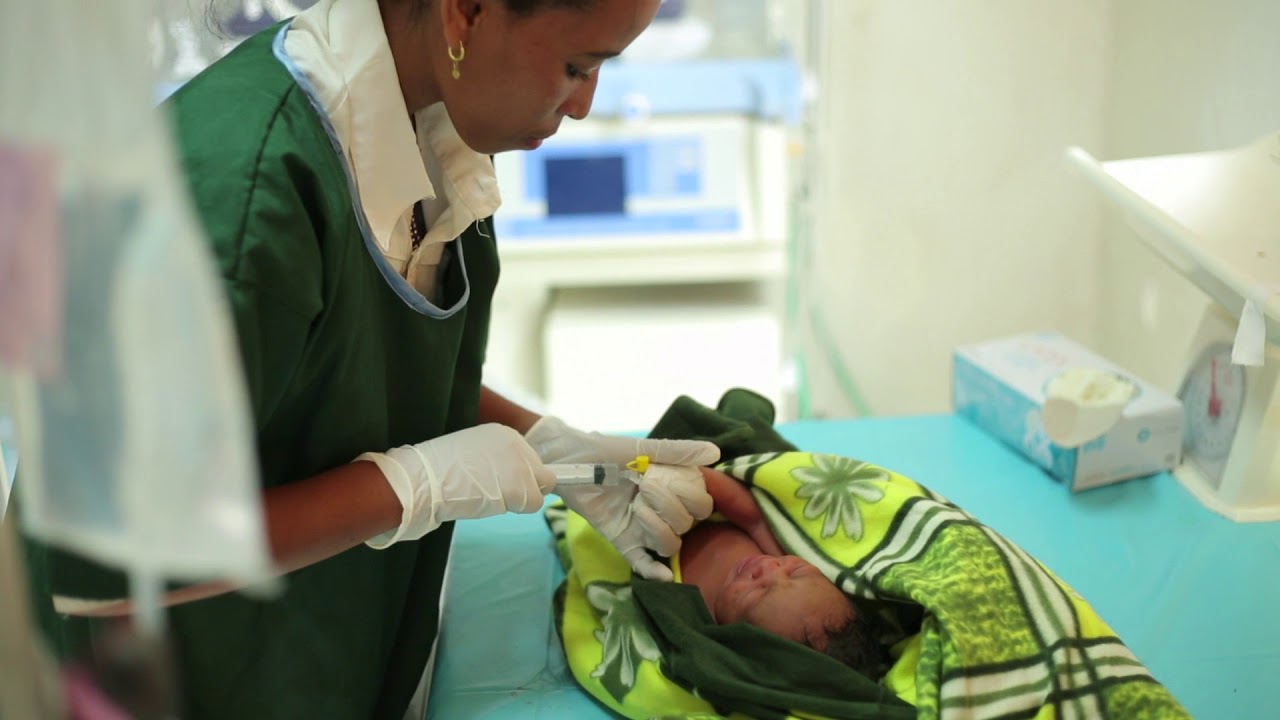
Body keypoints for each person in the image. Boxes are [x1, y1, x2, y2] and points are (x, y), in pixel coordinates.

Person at [20, 1, 720, 719]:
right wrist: (413, 486)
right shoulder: (240, 201)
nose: (581, 106)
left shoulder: (433, 128)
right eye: (577, 67)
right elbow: (104, 562)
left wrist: (550, 444)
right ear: (466, 13)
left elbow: (352, 362)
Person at [678, 468, 890, 678]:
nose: (768, 568)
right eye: (797, 571)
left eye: (757, 593)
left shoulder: (692, 620)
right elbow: (753, 518)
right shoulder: (777, 553)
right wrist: (699, 479)